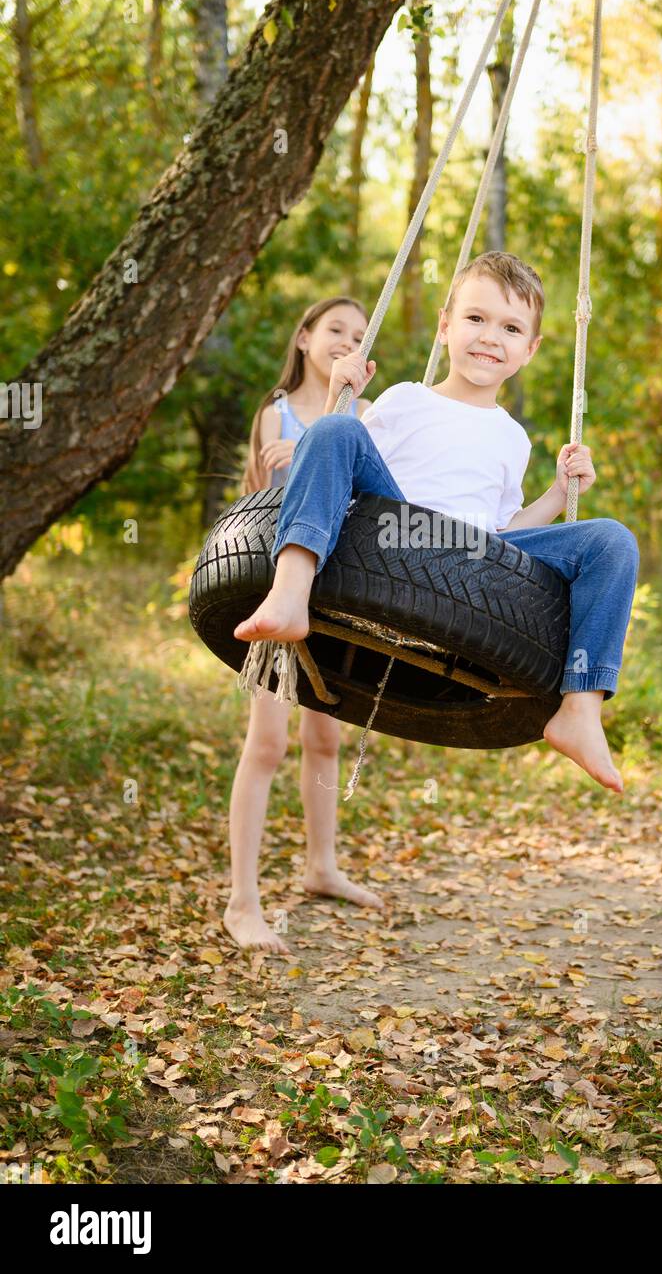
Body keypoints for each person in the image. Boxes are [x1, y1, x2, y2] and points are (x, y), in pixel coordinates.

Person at [234, 251, 640, 795]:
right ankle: (290, 592)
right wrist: (337, 401)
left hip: (469, 557)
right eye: (476, 318)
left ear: (530, 349)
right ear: (446, 324)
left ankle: (580, 709)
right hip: (393, 532)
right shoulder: (405, 400)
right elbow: (338, 468)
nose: (491, 337)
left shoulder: (512, 437)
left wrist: (559, 494)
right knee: (335, 431)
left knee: (611, 541)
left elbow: (505, 531)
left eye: (511, 327)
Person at [224, 297, 384, 957]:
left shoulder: (366, 415)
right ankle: (243, 902)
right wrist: (291, 454)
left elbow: (374, 500)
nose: (345, 341)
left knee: (325, 740)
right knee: (268, 744)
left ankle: (322, 866)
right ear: (305, 338)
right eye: (335, 330)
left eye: (357, 335)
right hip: (280, 585)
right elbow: (274, 490)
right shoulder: (278, 411)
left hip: (339, 591)